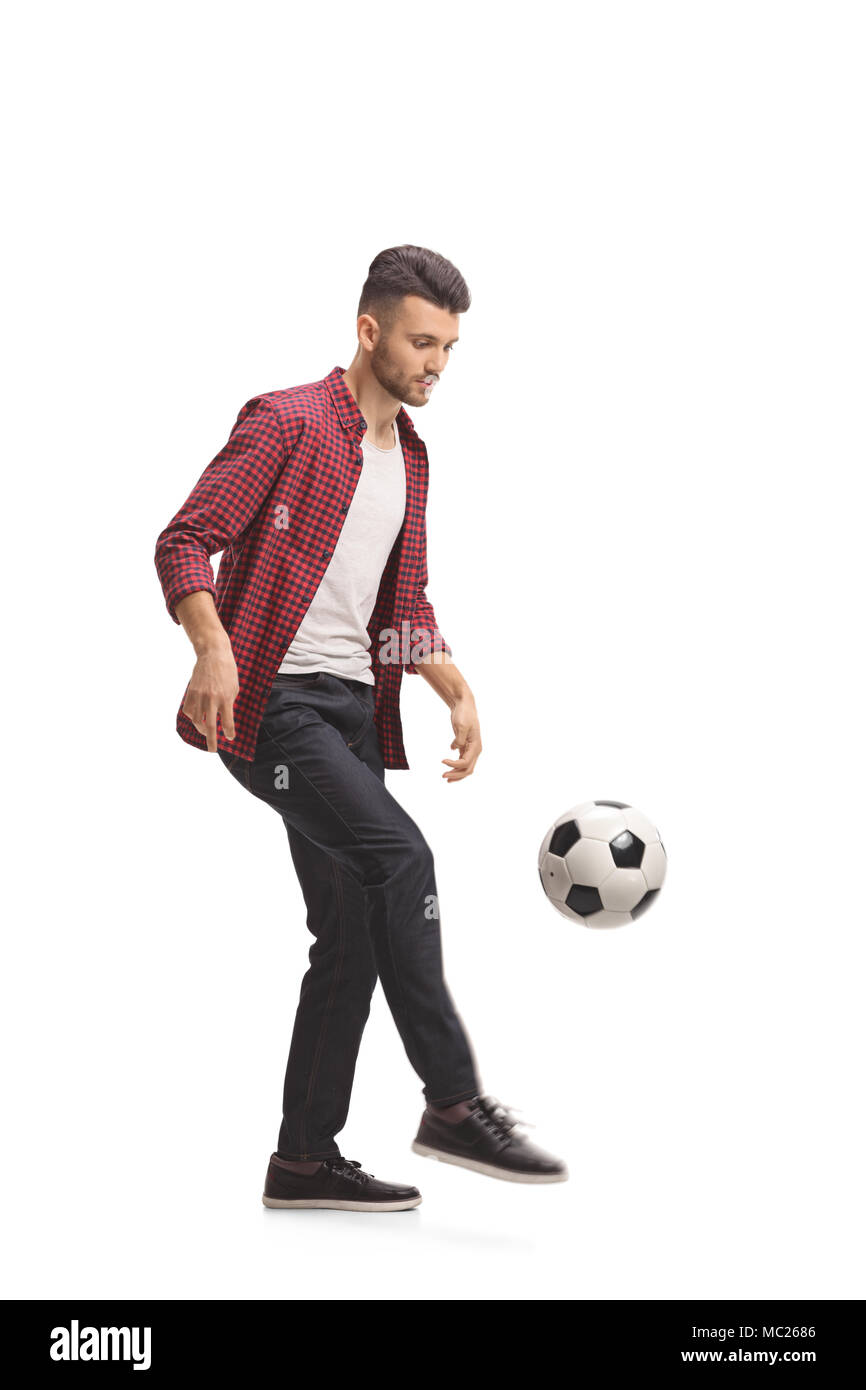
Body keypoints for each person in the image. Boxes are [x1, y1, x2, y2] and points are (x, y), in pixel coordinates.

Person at [154, 244, 568, 1212]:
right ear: (368, 330)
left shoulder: (411, 457)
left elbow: (400, 598)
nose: (435, 364)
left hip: (346, 715)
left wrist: (448, 680)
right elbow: (183, 539)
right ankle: (453, 1100)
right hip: (268, 714)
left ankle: (302, 1159)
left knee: (346, 939)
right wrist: (210, 643)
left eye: (450, 348)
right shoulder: (286, 420)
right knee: (403, 860)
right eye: (422, 342)